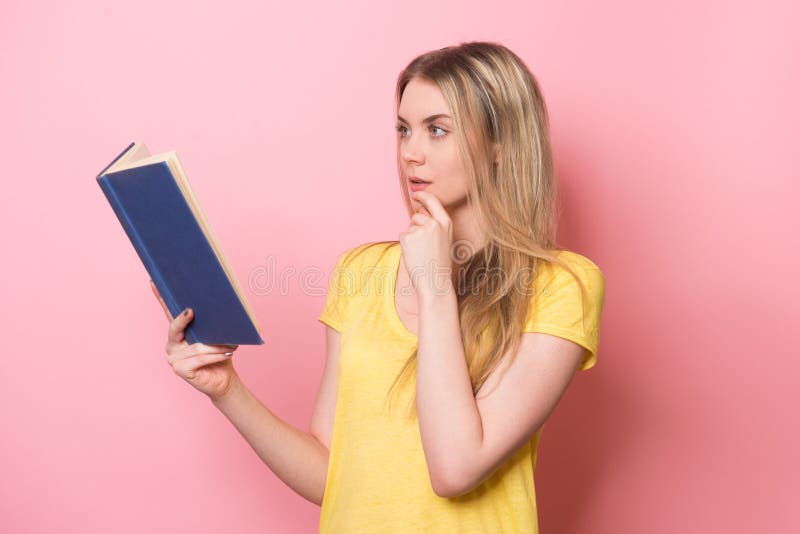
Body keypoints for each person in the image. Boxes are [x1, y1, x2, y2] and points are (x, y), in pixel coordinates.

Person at [151, 40, 606, 533]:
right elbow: (331, 473)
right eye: (403, 130)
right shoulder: (360, 273)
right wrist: (227, 390)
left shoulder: (561, 287)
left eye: (437, 131)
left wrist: (434, 286)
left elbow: (455, 468)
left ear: (501, 145)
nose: (410, 153)